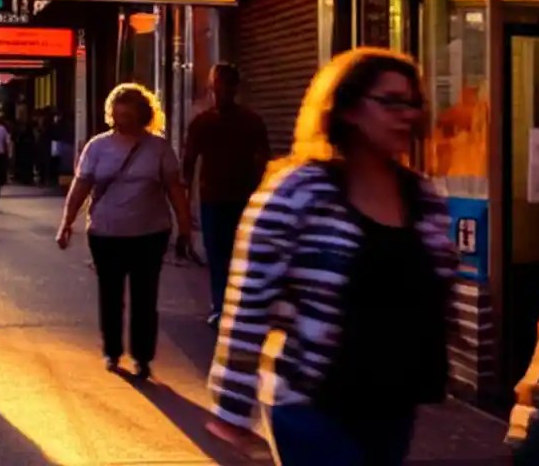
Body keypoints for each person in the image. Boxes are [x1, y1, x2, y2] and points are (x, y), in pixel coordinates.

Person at [207, 48, 457, 466]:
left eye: (413, 103)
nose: (407, 115)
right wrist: (232, 403)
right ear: (348, 110)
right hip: (312, 402)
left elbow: (440, 290)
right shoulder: (298, 191)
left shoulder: (422, 195)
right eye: (391, 102)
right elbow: (249, 300)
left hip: (393, 402)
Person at [56, 84, 194, 379]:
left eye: (129, 116)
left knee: (145, 298)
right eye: (119, 116)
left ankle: (143, 357)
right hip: (106, 233)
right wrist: (66, 222)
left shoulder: (158, 148)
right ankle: (112, 351)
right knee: (111, 294)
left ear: (143, 115)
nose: (123, 122)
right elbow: (81, 186)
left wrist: (185, 226)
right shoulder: (97, 146)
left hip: (149, 234)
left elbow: (174, 188)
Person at [182, 63, 270, 329]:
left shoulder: (224, 122)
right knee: (225, 255)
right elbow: (189, 162)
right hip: (219, 197)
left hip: (235, 197)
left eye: (223, 85)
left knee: (227, 255)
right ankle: (224, 306)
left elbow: (263, 159)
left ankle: (225, 306)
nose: (219, 90)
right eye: (217, 85)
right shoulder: (207, 122)